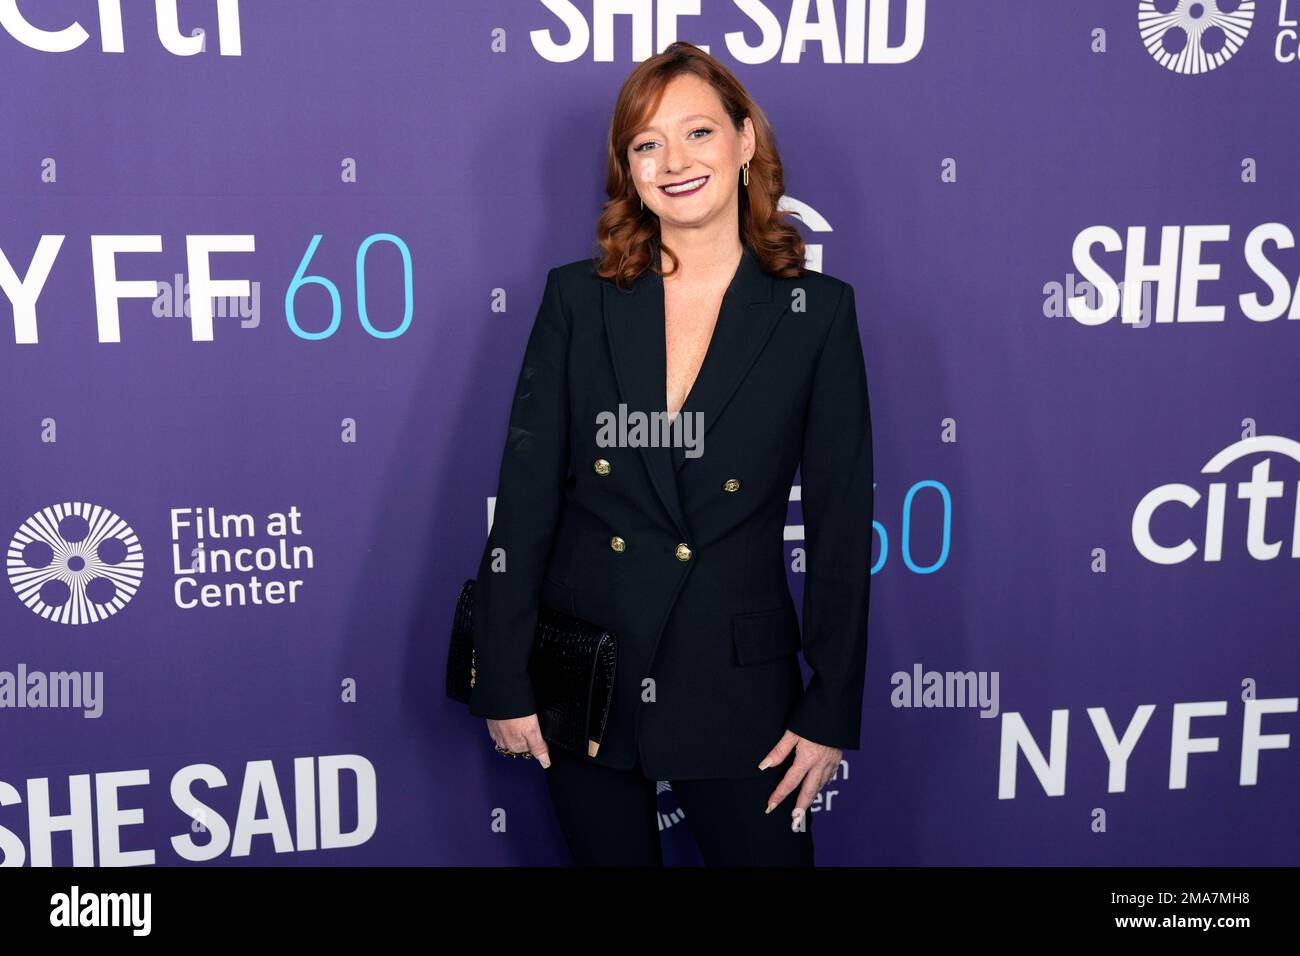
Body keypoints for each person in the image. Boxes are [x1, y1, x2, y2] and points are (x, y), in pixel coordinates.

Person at [467, 41, 873, 866]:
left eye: (698, 134)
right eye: (647, 144)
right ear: (628, 168)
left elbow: (840, 523)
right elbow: (526, 499)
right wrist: (502, 676)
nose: (675, 162)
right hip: (588, 676)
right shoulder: (577, 300)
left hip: (738, 685)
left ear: (746, 143)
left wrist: (830, 706)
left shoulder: (816, 313)